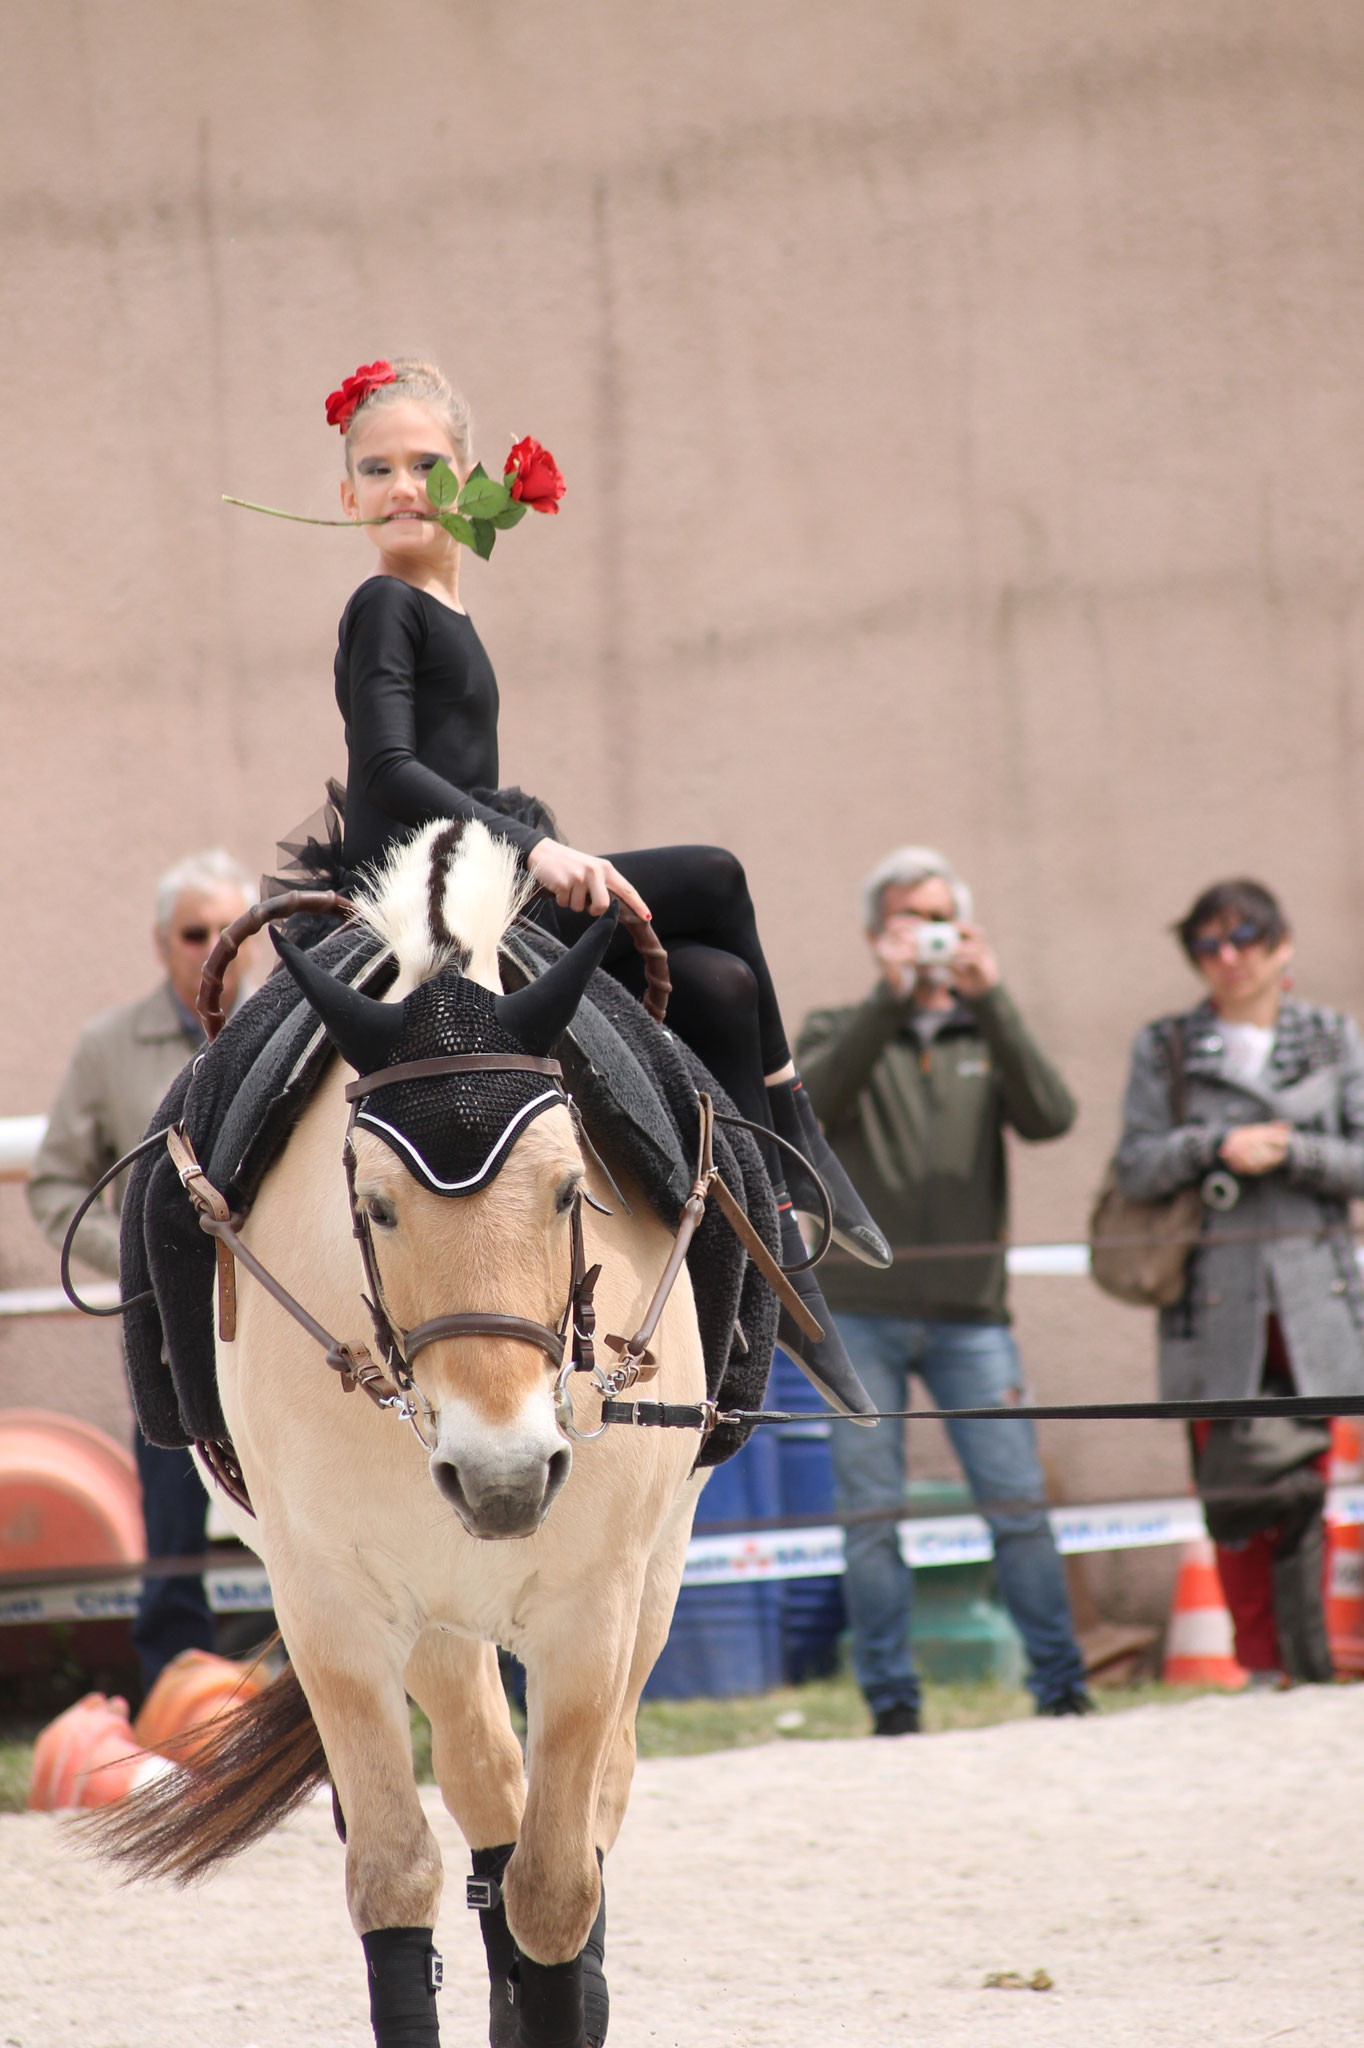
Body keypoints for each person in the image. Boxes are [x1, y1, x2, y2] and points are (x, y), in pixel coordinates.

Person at [300, 354, 886, 1420]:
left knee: (717, 985)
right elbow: (386, 770)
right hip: (438, 886)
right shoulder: (383, 602)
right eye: (375, 469)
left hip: (484, 859)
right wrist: (534, 852)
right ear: (346, 496)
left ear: (470, 478)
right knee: (714, 878)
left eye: (425, 464)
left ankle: (770, 1242)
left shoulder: (443, 603)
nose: (402, 486)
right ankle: (799, 1138)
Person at [795, 845, 1092, 1729]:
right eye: (908, 921)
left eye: (940, 919)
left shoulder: (982, 1030)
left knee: (1017, 1505)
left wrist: (991, 996)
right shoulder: (838, 1024)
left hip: (973, 1319)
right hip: (859, 1314)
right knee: (871, 1515)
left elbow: (1052, 1116)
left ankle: (1062, 1689)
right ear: (875, 935)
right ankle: (892, 1704)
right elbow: (806, 1111)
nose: (927, 937)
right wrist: (887, 1002)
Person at [1115, 877, 1364, 1685]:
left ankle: (1309, 1664)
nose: (1229, 957)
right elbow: (1136, 1164)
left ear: (1282, 945)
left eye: (1245, 937)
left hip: (1315, 1301)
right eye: (1208, 944)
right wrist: (1216, 1147)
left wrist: (1292, 1151)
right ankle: (1259, 1665)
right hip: (1210, 1305)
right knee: (1229, 1495)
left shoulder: (1331, 1036)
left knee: (1309, 1489)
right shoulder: (1167, 1046)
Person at [28, 848, 255, 1686]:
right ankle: (172, 1693)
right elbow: (55, 1186)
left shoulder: (300, 1039)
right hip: (168, 1337)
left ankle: (316, 1698)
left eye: (229, 930)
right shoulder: (108, 1046)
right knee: (172, 1523)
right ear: (162, 944)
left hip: (287, 1335)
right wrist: (136, 1267)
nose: (213, 947)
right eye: (194, 933)